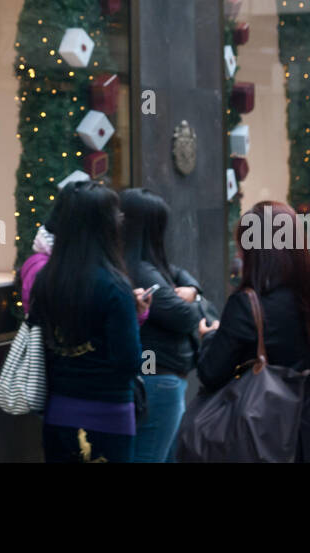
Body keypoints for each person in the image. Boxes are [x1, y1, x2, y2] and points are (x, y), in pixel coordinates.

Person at [195, 200, 310, 462]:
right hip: (302, 437)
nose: (238, 255)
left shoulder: (246, 306)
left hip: (257, 440)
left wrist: (210, 336)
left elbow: (210, 373)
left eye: (242, 247)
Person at [28, 181, 148, 463]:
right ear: (105, 225)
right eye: (116, 215)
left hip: (58, 414)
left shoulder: (46, 280)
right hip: (109, 417)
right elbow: (128, 360)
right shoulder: (114, 286)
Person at [120, 188, 204, 463]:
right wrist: (197, 302)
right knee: (151, 456)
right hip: (157, 377)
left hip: (157, 374)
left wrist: (193, 289)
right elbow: (184, 317)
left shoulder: (140, 264)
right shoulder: (141, 270)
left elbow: (180, 273)